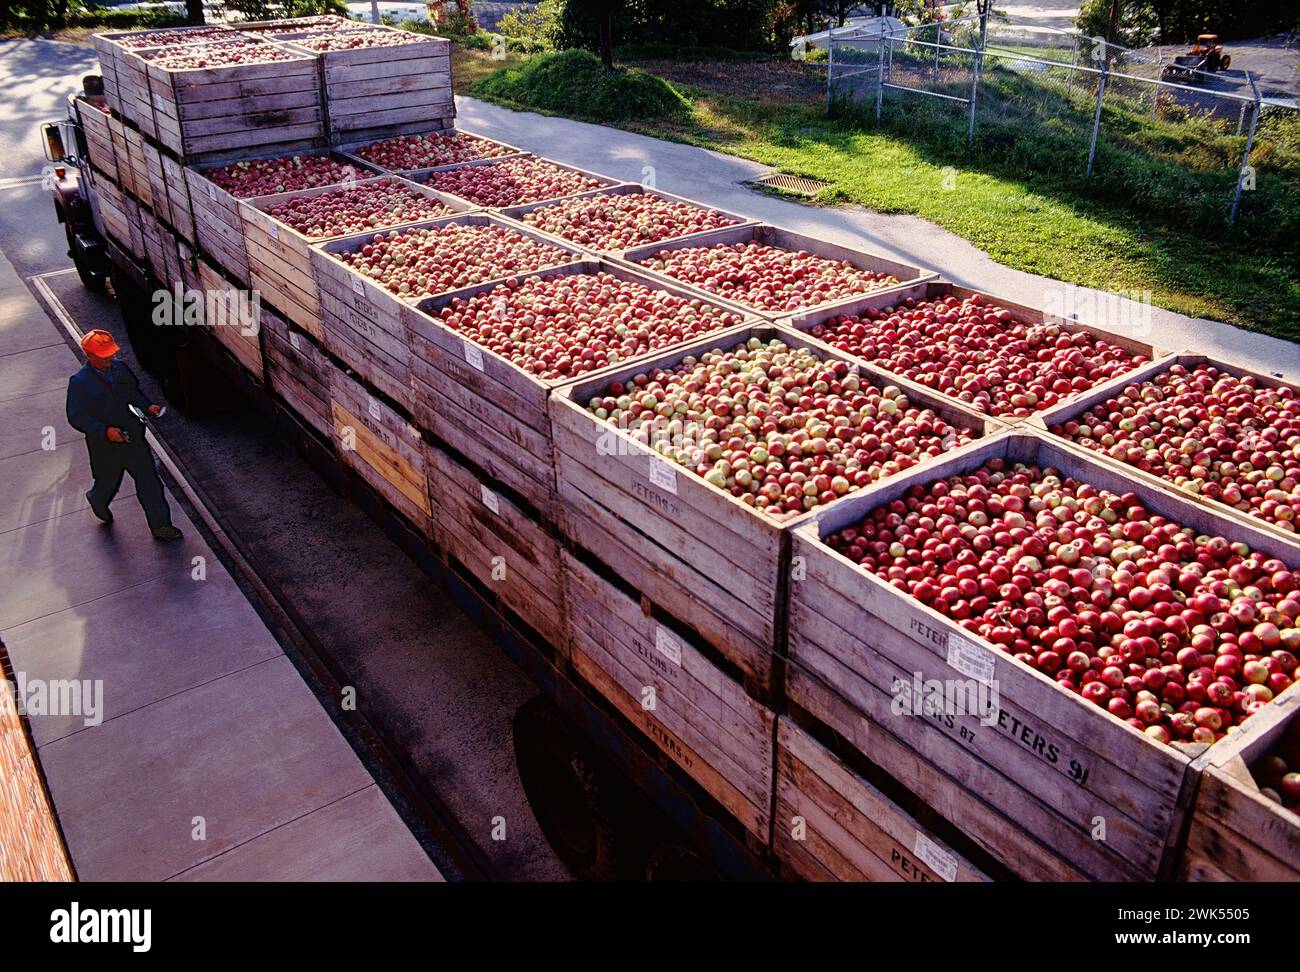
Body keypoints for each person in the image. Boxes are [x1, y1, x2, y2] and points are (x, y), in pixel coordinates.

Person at [65, 330, 182, 540]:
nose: (110, 358)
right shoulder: (79, 382)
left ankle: (161, 525)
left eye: (111, 353)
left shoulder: (120, 369)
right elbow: (76, 416)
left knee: (149, 482)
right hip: (105, 448)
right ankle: (97, 498)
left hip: (132, 437)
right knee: (108, 482)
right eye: (104, 356)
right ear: (90, 356)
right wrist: (105, 431)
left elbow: (133, 393)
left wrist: (148, 407)